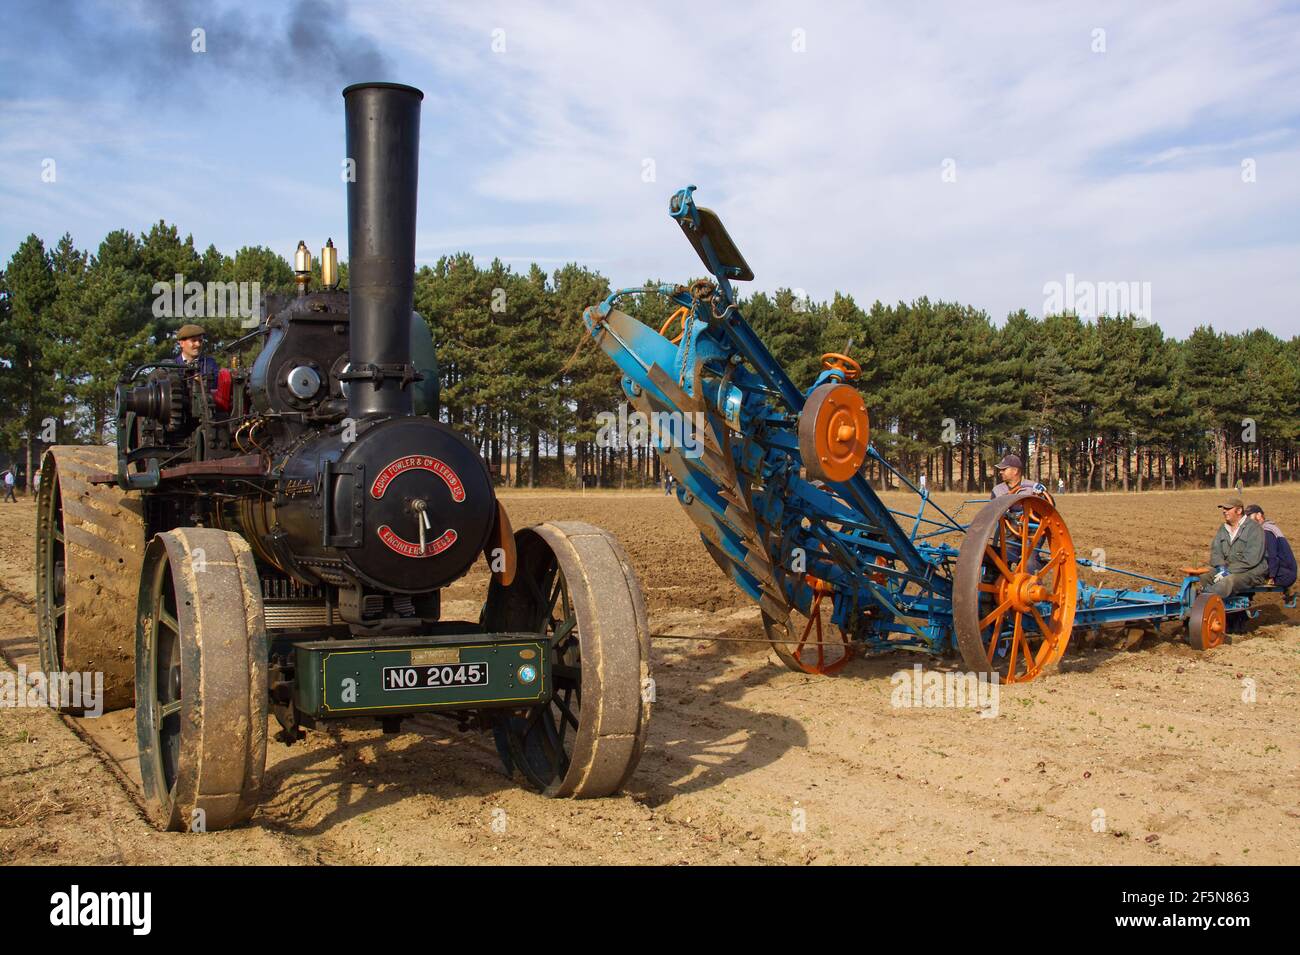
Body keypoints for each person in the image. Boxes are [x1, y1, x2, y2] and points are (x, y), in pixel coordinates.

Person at [1191, 496, 1268, 599]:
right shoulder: (1223, 528)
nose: (1224, 511)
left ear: (1239, 510)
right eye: (1223, 509)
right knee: (1202, 576)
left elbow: (1251, 559)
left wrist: (1228, 571)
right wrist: (1220, 568)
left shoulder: (1254, 528)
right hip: (1227, 569)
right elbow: (1216, 552)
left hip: (1252, 572)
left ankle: (1205, 602)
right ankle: (1195, 601)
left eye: (1228, 509)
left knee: (1228, 581)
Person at [1245, 504, 1296, 593]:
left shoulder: (1266, 531)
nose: (1248, 520)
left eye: (1250, 516)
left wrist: (1272, 576)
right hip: (1284, 571)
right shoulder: (1268, 528)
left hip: (1283, 575)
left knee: (1244, 578)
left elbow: (1272, 556)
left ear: (1259, 515)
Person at [175, 323, 220, 390]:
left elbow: (217, 386)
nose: (198, 344)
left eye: (200, 341)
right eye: (193, 341)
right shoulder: (173, 365)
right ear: (182, 343)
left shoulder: (210, 364)